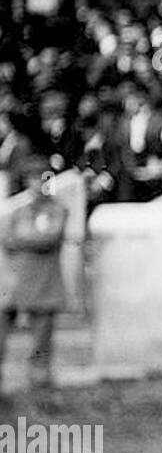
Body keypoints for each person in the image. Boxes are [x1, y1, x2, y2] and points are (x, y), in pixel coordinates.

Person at [0, 157, 67, 392]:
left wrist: (22, 238)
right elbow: (7, 239)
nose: (36, 185)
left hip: (45, 283)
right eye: (31, 179)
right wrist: (25, 238)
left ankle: (40, 382)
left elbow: (49, 237)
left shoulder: (57, 210)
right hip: (17, 281)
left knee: (41, 340)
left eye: (41, 179)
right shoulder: (19, 211)